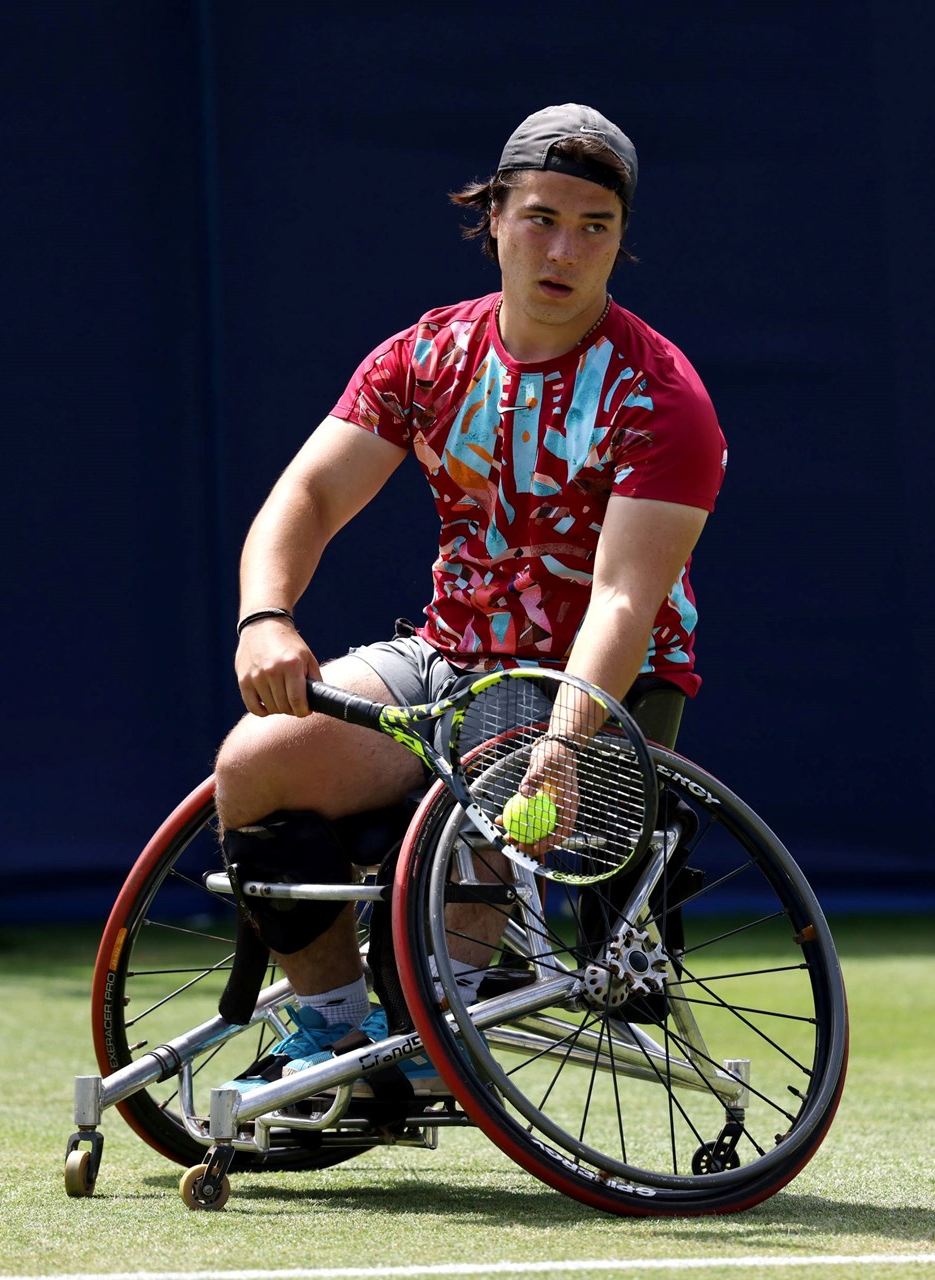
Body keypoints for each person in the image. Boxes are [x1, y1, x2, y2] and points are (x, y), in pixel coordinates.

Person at [214, 104, 727, 1090]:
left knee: (485, 796)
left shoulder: (663, 397)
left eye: (595, 227)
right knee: (258, 760)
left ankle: (419, 1036)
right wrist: (265, 615)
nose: (564, 249)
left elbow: (623, 597)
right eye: (539, 217)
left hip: (602, 683)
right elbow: (311, 495)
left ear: (621, 240)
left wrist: (566, 746)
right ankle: (335, 1028)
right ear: (491, 217)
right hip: (450, 658)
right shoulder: (426, 357)